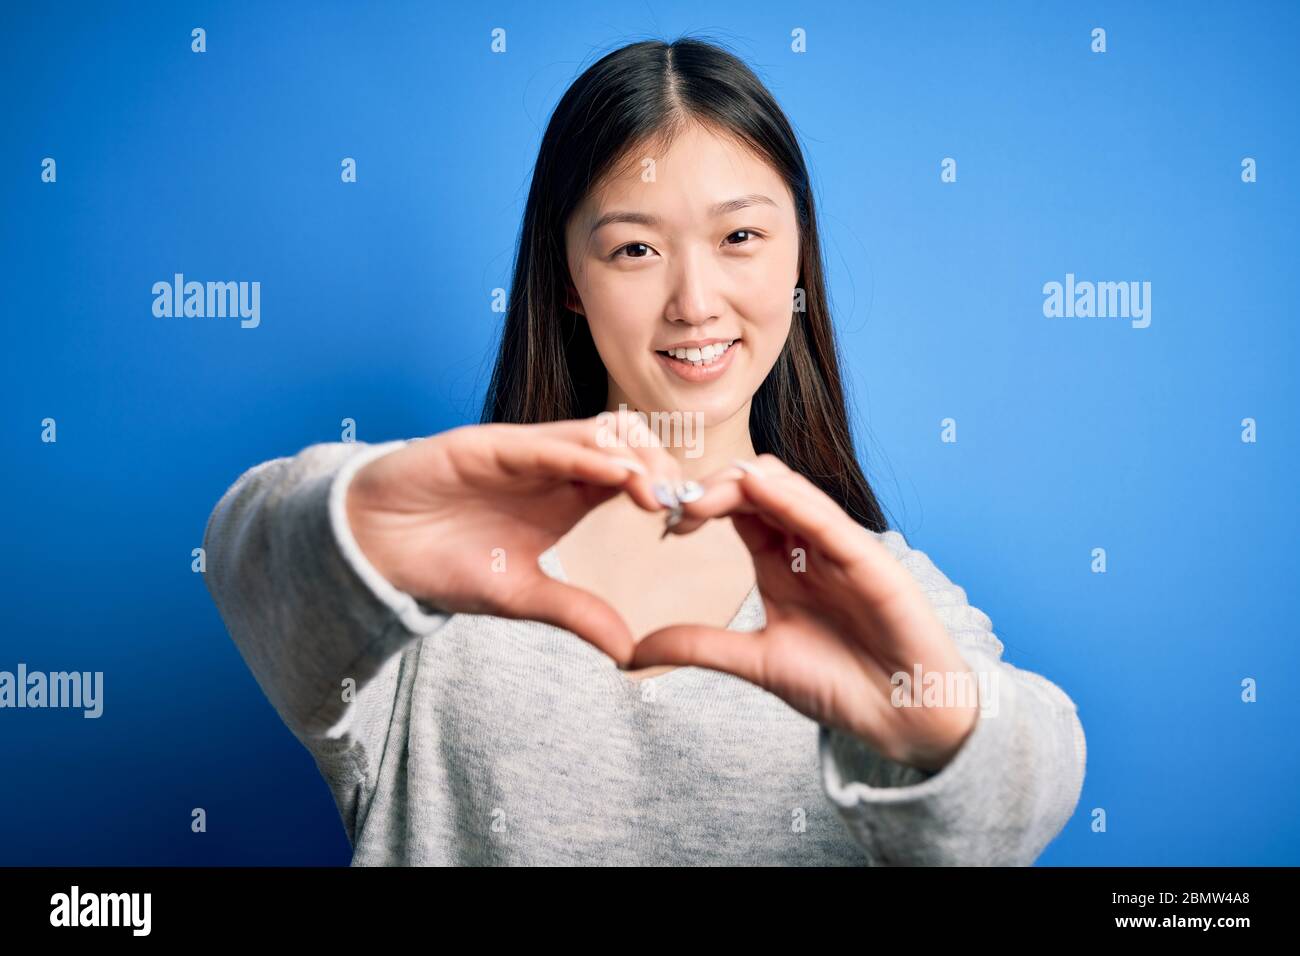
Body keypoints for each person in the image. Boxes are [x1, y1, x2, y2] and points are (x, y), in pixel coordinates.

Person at [203, 36, 1086, 865]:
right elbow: (253, 564)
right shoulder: (434, 580)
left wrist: (936, 722)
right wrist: (376, 520)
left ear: (798, 261)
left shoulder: (876, 597)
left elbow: (1021, 789)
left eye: (741, 237)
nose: (694, 301)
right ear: (571, 284)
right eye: (634, 248)